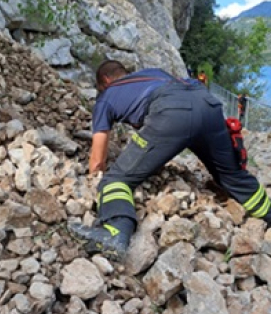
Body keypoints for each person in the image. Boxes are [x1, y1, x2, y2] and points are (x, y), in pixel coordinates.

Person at [69, 60, 268, 259]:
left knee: (116, 179)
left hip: (171, 112)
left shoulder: (107, 97)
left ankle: (114, 232)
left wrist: (95, 179)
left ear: (105, 80)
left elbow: (98, 160)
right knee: (233, 176)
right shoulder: (153, 73)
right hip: (208, 104)